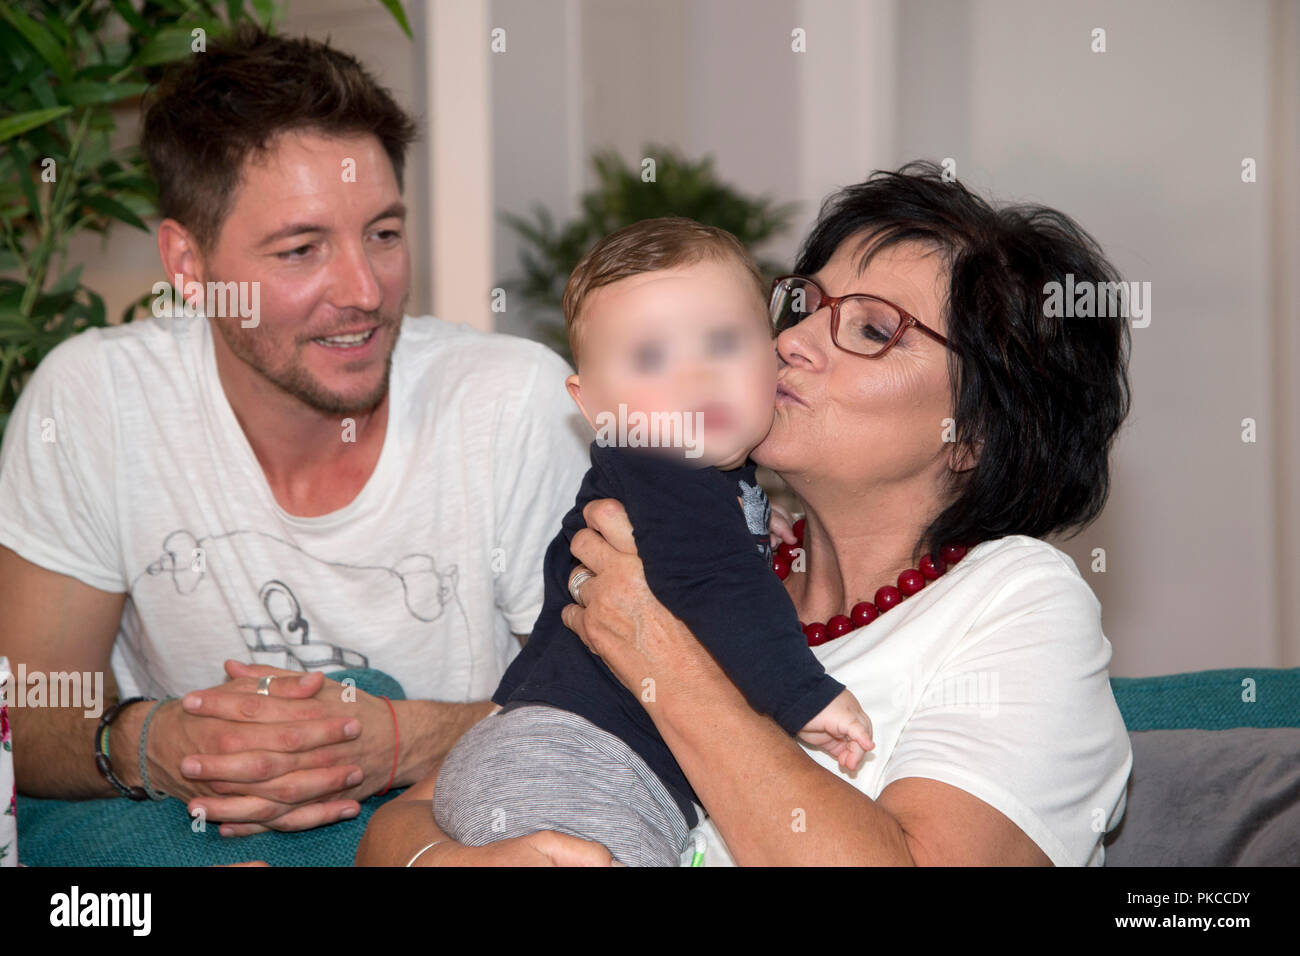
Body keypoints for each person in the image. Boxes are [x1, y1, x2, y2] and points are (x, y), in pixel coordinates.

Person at [357, 161, 1135, 866]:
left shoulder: (1021, 601)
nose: (793, 340)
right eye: (803, 303)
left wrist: (659, 653)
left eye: (871, 328)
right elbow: (427, 804)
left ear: (974, 431)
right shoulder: (703, 540)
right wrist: (450, 861)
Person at [0, 25, 588, 862]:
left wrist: (398, 738)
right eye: (301, 249)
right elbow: (28, 719)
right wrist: (157, 745)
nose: (363, 291)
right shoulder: (97, 399)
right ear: (188, 263)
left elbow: (623, 713)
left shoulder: (512, 403)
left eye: (383, 233)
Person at [432, 217, 875, 866]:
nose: (695, 378)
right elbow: (715, 582)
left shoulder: (690, 482)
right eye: (650, 358)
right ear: (593, 406)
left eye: (724, 342)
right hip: (578, 761)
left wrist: (760, 522)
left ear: (772, 355)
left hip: (550, 752)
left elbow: (694, 546)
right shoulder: (657, 462)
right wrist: (804, 696)